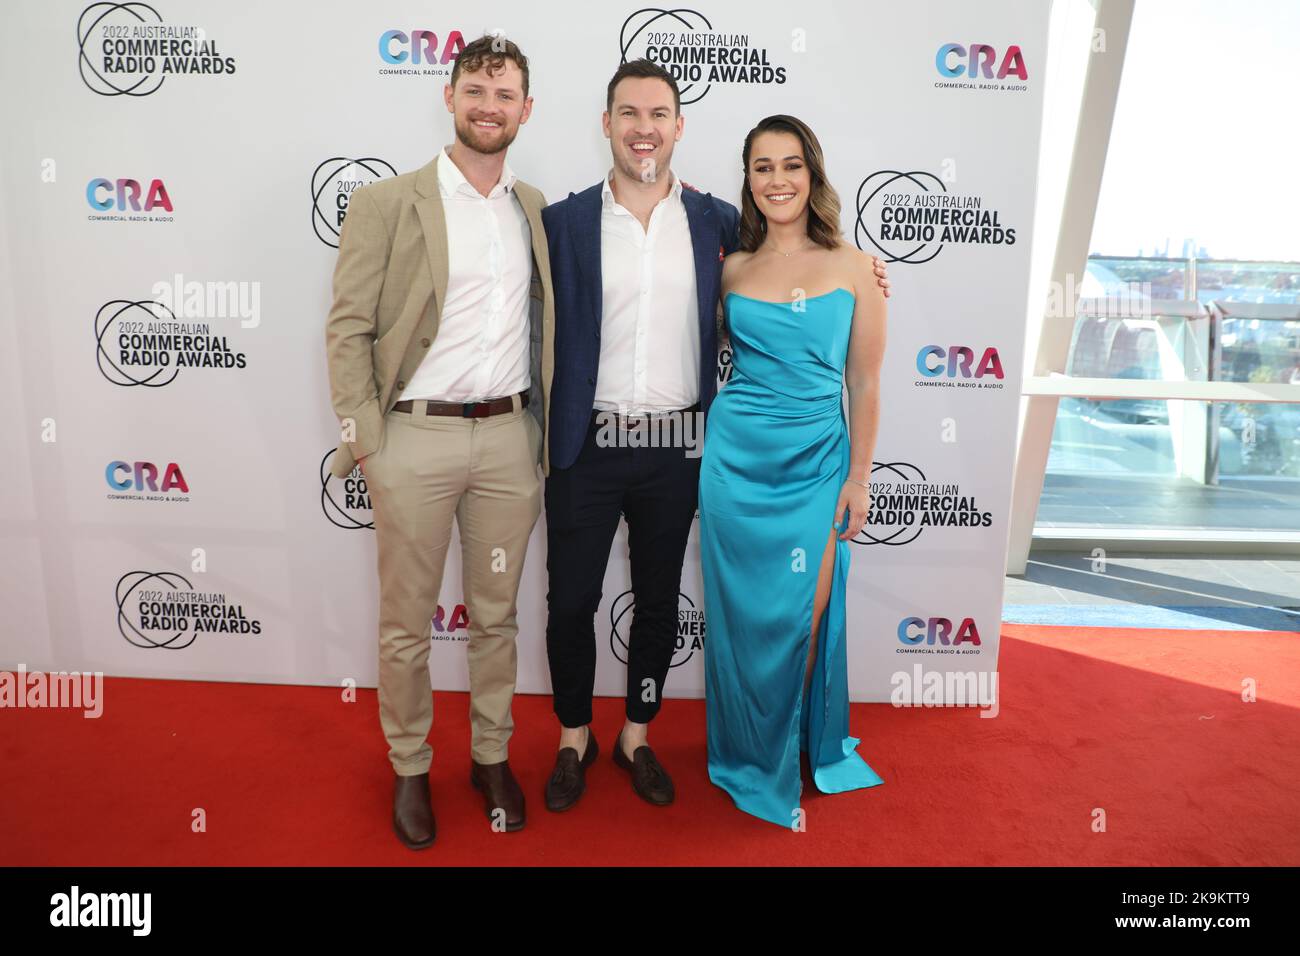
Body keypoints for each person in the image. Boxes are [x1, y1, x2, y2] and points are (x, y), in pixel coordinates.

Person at [540, 66, 891, 813]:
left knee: (661, 605)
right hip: (589, 445)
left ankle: (638, 734)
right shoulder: (564, 222)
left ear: (678, 127)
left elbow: (813, 294)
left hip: (683, 451)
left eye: (659, 113)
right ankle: (574, 736)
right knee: (571, 601)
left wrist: (866, 274)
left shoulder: (714, 229)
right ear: (606, 123)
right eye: (628, 113)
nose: (644, 126)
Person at [324, 34, 553, 848]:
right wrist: (368, 440)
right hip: (411, 444)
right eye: (476, 90)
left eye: (505, 94)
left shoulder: (535, 209)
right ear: (449, 97)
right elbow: (348, 329)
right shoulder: (389, 203)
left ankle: (490, 757)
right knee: (406, 625)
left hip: (507, 444)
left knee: (496, 619)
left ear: (528, 110)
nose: (489, 107)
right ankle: (411, 765)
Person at [698, 114, 888, 828]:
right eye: (762, 167)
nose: (777, 180)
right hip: (735, 464)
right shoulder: (732, 270)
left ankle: (788, 747)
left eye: (790, 165)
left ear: (813, 173)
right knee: (742, 616)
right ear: (747, 181)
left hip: (816, 465)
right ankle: (750, 753)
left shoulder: (854, 266)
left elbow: (864, 384)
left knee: (802, 612)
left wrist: (860, 476)